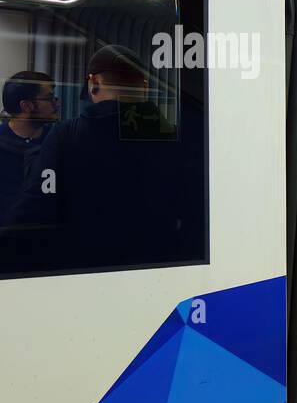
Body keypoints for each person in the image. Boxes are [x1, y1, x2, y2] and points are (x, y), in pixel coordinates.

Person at [4, 45, 196, 272]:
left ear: (94, 83)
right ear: (145, 88)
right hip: (163, 267)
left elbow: (37, 207)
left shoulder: (66, 137)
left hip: (84, 270)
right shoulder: (178, 140)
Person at [0, 71, 57, 219]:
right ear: (26, 106)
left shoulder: (56, 141)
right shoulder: (2, 141)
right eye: (49, 99)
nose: (55, 104)